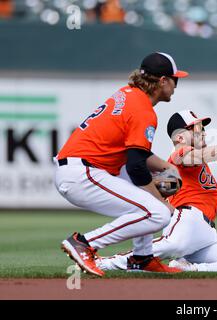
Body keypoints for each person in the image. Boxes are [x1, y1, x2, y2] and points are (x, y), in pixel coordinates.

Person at [55, 52, 188, 277]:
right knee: (158, 213)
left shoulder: (129, 95)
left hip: (83, 168)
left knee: (144, 200)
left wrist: (165, 165)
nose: (177, 85)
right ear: (163, 81)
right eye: (176, 79)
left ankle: (142, 258)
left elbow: (134, 152)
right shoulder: (143, 110)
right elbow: (136, 166)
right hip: (83, 173)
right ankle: (85, 243)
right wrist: (161, 200)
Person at [96, 110, 217, 272]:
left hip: (207, 236)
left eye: (203, 128)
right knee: (169, 245)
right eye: (196, 128)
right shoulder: (179, 154)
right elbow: (196, 156)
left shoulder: (203, 170)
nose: (203, 132)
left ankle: (191, 268)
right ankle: (103, 263)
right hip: (187, 221)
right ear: (179, 137)